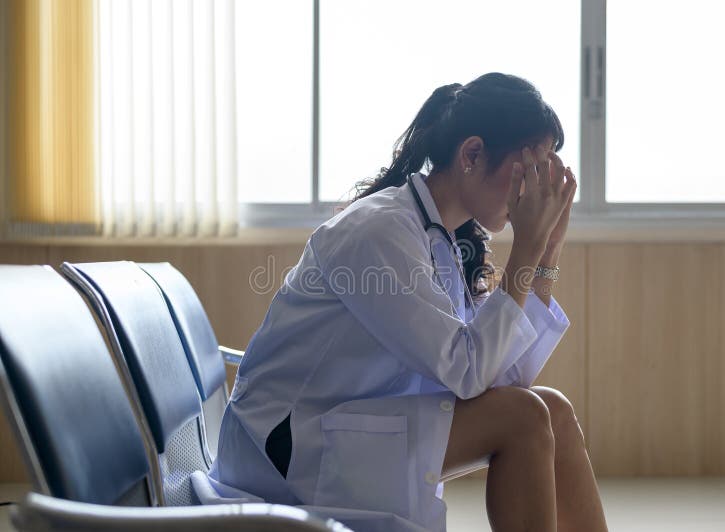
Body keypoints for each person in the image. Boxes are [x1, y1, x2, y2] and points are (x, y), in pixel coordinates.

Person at [201, 72, 608, 532]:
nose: (532, 190)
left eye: (544, 174)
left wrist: (548, 247)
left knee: (550, 409)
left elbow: (505, 375)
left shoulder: (443, 240)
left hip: (343, 427)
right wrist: (528, 247)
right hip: (285, 451)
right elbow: (469, 373)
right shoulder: (379, 230)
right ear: (472, 154)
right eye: (528, 170)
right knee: (525, 417)